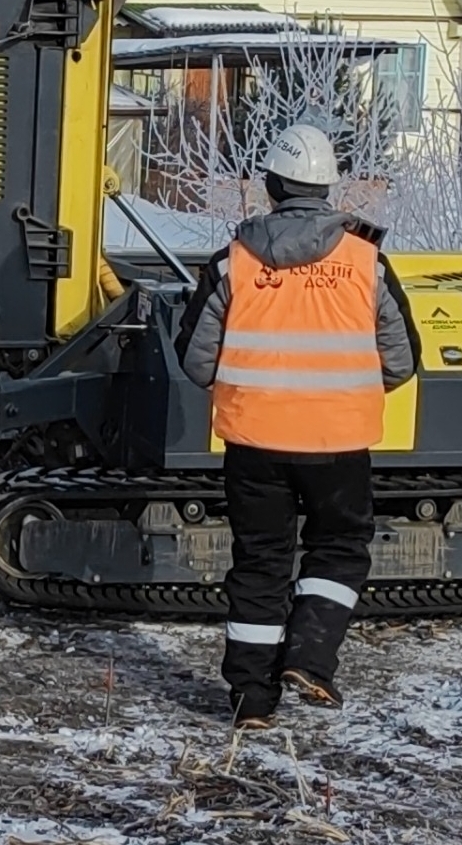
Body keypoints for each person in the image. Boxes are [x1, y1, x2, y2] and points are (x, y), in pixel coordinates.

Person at [173, 122, 417, 729]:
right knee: (339, 548)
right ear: (329, 187)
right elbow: (401, 361)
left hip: (254, 444)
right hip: (339, 445)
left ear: (271, 186)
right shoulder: (367, 262)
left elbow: (196, 362)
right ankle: (309, 659)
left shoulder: (233, 263)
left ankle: (251, 702)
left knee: (260, 564)